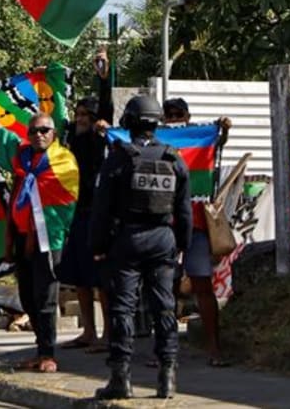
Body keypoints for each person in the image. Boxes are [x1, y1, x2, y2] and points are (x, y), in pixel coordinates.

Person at [0, 81, 75, 374]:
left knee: (46, 296)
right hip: (22, 236)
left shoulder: (63, 160)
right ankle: (39, 349)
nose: (39, 135)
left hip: (50, 239)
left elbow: (69, 199)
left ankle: (49, 353)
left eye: (45, 130)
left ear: (54, 133)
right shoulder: (21, 155)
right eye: (34, 130)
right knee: (27, 296)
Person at [90, 95, 192, 400]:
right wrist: (181, 247)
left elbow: (101, 208)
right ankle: (167, 377)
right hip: (163, 240)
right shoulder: (174, 158)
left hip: (128, 240)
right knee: (165, 308)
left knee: (123, 307)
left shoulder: (119, 157)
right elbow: (184, 210)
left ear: (130, 122)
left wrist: (97, 245)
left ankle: (121, 377)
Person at [162, 97, 232, 368]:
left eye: (178, 114)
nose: (174, 118)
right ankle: (165, 352)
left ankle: (214, 347)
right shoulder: (154, 144)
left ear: (188, 117)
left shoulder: (199, 142)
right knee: (164, 290)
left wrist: (222, 131)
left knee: (203, 286)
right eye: (169, 114)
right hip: (164, 227)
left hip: (197, 226)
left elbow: (217, 145)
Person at [58, 50, 114, 352]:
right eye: (77, 114)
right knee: (79, 277)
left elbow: (106, 108)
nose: (79, 119)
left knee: (99, 279)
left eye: (85, 116)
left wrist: (103, 78)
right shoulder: (72, 140)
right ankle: (88, 332)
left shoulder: (98, 139)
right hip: (75, 214)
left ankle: (107, 333)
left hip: (97, 215)